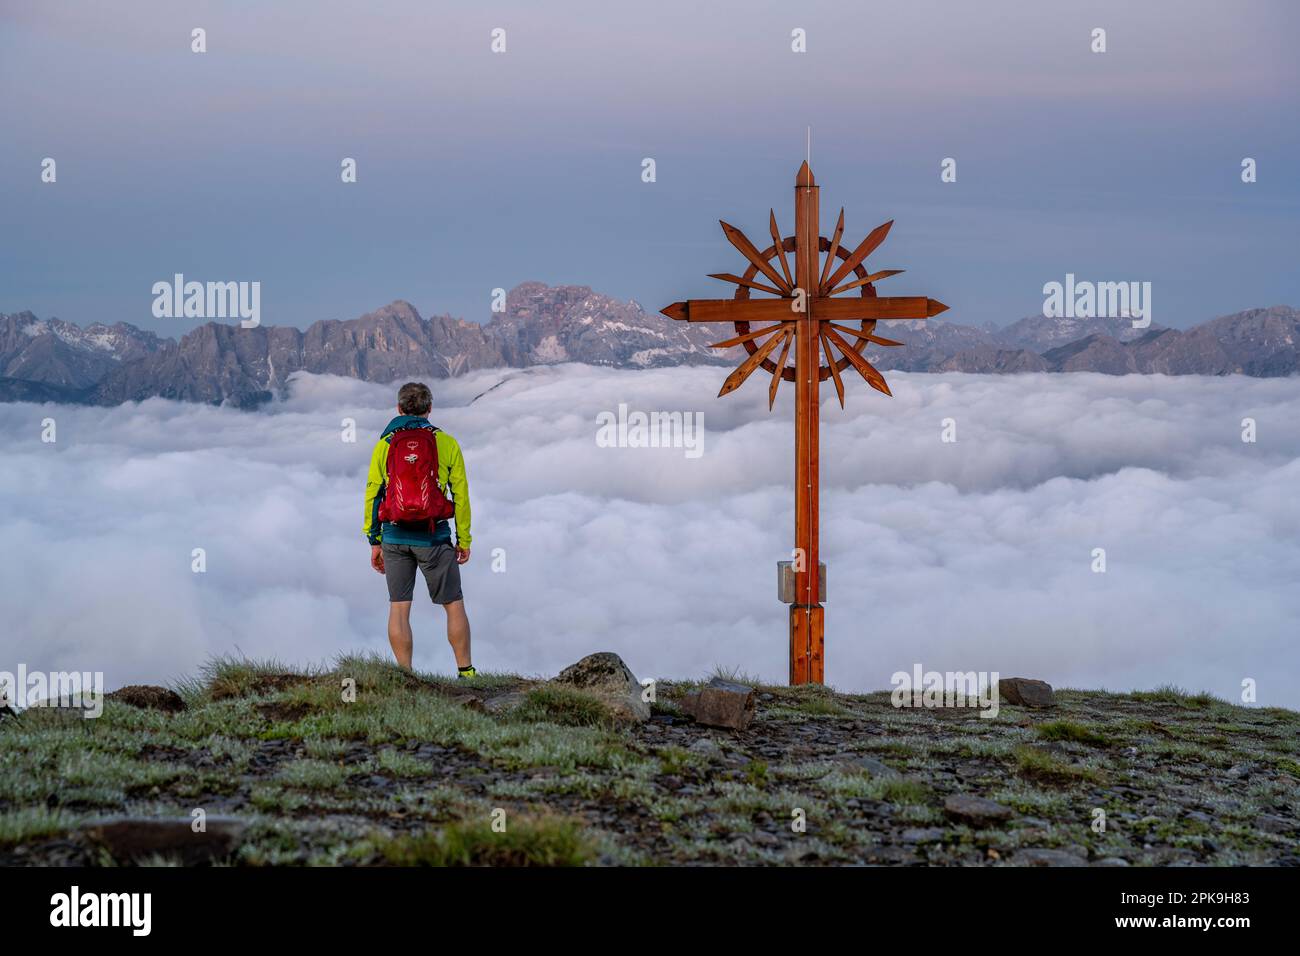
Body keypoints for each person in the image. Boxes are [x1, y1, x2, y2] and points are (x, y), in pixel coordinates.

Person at [362, 382, 474, 677]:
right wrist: (464, 539)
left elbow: (374, 494)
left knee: (399, 608)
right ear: (429, 410)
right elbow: (460, 495)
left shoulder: (385, 445)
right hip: (434, 536)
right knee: (453, 604)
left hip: (394, 536)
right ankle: (466, 672)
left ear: (398, 409)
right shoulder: (447, 443)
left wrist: (374, 540)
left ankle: (406, 676)